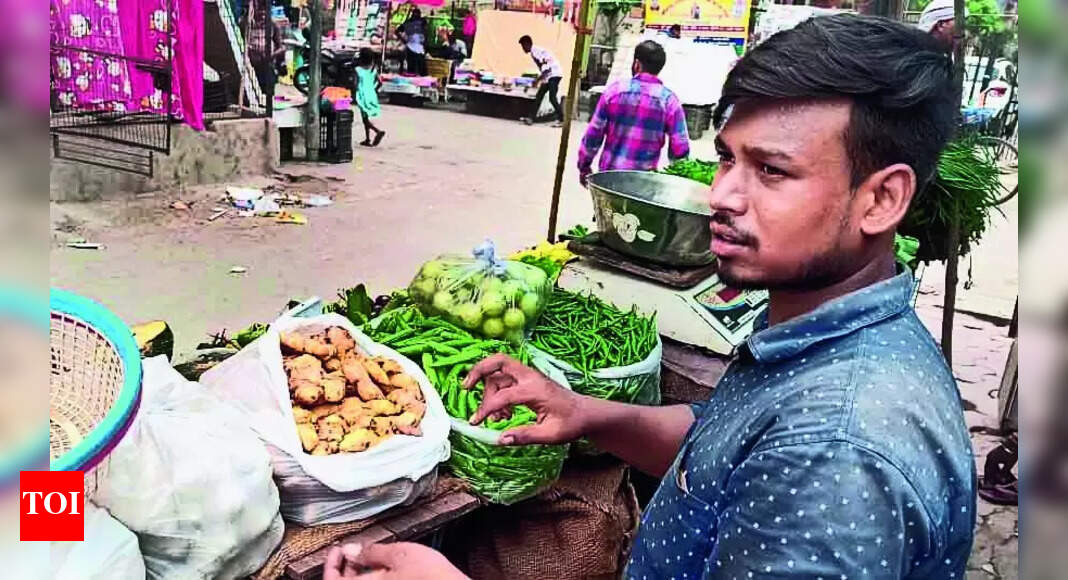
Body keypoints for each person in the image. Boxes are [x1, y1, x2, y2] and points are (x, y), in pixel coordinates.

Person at [323, 14, 975, 579]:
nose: (721, 195)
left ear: (882, 199)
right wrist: (589, 413)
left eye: (771, 171)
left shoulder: (834, 458)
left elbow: (783, 454)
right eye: (726, 159)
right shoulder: (829, 341)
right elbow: (723, 453)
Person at [577, 40, 690, 187]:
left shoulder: (614, 92)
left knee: (606, 210)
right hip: (643, 185)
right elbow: (680, 147)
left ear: (637, 64)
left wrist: (584, 166)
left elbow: (593, 134)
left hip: (609, 180)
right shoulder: (669, 101)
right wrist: (677, 179)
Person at [518, 35, 563, 126]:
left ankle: (562, 119)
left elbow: (546, 68)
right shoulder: (534, 52)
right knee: (539, 96)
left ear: (527, 44)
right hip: (549, 75)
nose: (523, 49)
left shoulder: (536, 52)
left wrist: (537, 81)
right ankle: (531, 118)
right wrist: (539, 79)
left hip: (554, 74)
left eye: (523, 46)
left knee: (552, 98)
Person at [354, 48, 385, 147]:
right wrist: (374, 90)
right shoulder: (373, 69)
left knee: (365, 119)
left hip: (362, 95)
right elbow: (380, 83)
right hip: (371, 94)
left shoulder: (358, 70)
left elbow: (355, 84)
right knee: (366, 117)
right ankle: (367, 139)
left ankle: (377, 131)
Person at [396, 8, 428, 76]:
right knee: (413, 68)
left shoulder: (421, 22)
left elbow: (397, 31)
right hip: (411, 46)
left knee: (418, 68)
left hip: (418, 47)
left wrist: (403, 39)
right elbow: (397, 31)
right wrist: (403, 40)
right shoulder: (409, 22)